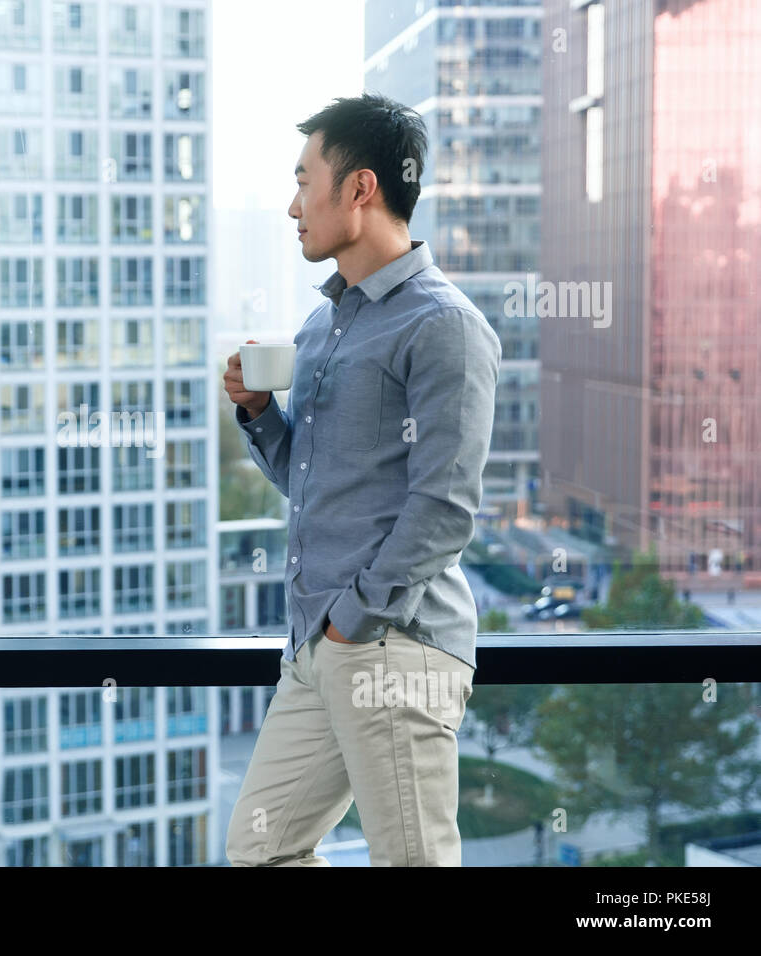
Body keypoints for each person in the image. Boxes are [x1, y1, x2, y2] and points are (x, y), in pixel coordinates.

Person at [222, 93, 502, 866]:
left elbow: (444, 510)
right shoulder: (323, 325)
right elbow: (310, 483)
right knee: (260, 849)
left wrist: (356, 621)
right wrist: (256, 414)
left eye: (304, 180)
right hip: (318, 646)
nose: (291, 206)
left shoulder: (442, 325)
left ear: (360, 189)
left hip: (392, 641)